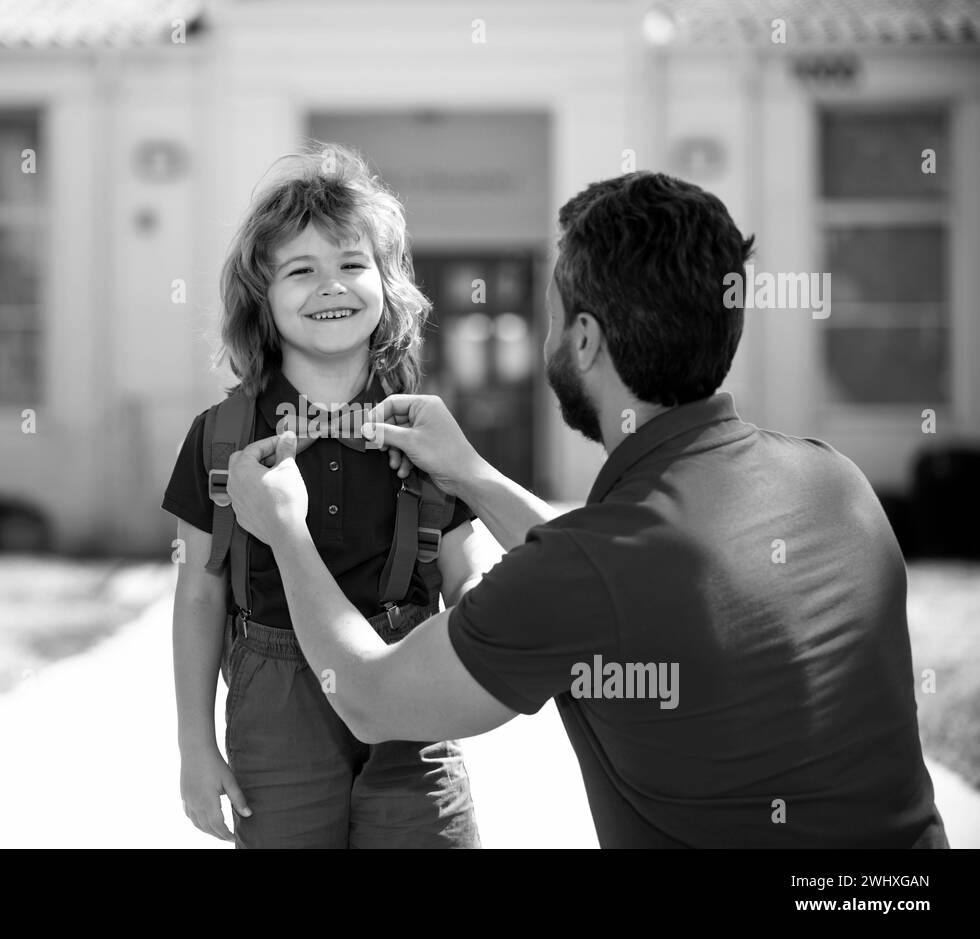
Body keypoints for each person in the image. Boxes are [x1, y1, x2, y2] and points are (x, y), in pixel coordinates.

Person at [225, 171, 950, 848]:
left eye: (550, 316)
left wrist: (286, 528)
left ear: (583, 340)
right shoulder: (835, 480)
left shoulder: (590, 571)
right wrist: (471, 474)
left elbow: (368, 698)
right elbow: (636, 580)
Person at [161, 142, 497, 848]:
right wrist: (195, 745)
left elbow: (467, 570)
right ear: (263, 296)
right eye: (300, 271)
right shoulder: (221, 436)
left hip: (411, 689)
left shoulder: (421, 428)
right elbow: (198, 594)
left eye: (352, 265)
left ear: (387, 284)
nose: (331, 287)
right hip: (275, 705)